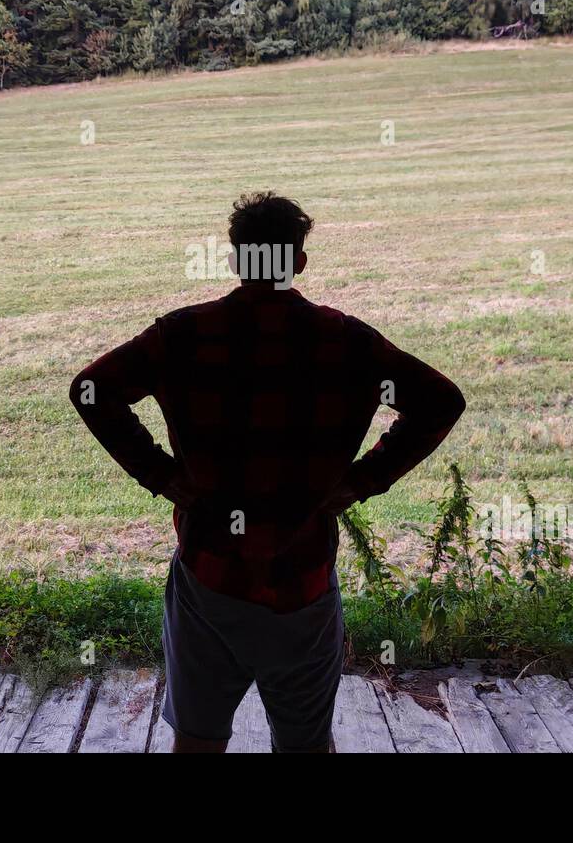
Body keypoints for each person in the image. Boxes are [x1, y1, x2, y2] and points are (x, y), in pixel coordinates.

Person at [70, 192, 465, 752]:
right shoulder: (347, 343)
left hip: (209, 577)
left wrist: (158, 474)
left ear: (234, 259)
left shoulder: (182, 336)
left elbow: (90, 390)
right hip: (301, 581)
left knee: (198, 742)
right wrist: (362, 479)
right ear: (299, 261)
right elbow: (440, 401)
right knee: (305, 745)